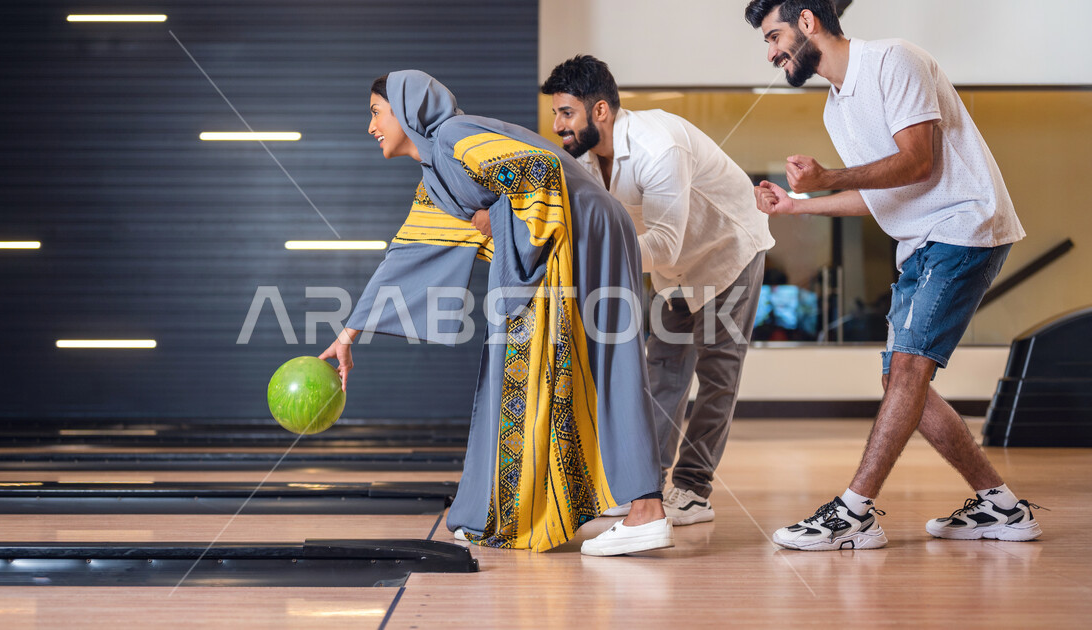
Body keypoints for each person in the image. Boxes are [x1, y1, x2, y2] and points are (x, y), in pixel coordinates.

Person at [318, 70, 673, 555]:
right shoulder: (435, 176)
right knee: (543, 366)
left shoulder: (452, 137)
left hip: (584, 229)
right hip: (570, 234)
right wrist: (349, 333)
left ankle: (646, 512)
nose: (371, 126)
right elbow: (405, 255)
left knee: (599, 363)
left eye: (376, 112)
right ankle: (512, 509)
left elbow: (540, 173)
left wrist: (497, 215)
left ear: (406, 109)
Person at [744, 0, 1040, 550]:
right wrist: (796, 206)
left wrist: (827, 176)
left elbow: (917, 161)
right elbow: (882, 193)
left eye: (774, 36)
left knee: (906, 372)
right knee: (902, 382)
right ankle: (1001, 506)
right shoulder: (836, 109)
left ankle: (854, 512)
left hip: (962, 226)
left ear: (808, 22)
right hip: (920, 242)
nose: (771, 53)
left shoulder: (892, 62)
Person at [541, 55, 774, 526]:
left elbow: (664, 244)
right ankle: (644, 486)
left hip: (728, 253)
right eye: (555, 113)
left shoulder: (659, 145)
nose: (557, 124)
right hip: (675, 271)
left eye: (566, 112)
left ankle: (693, 489)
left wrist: (593, 262)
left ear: (600, 110)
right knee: (662, 370)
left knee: (718, 374)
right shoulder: (582, 160)